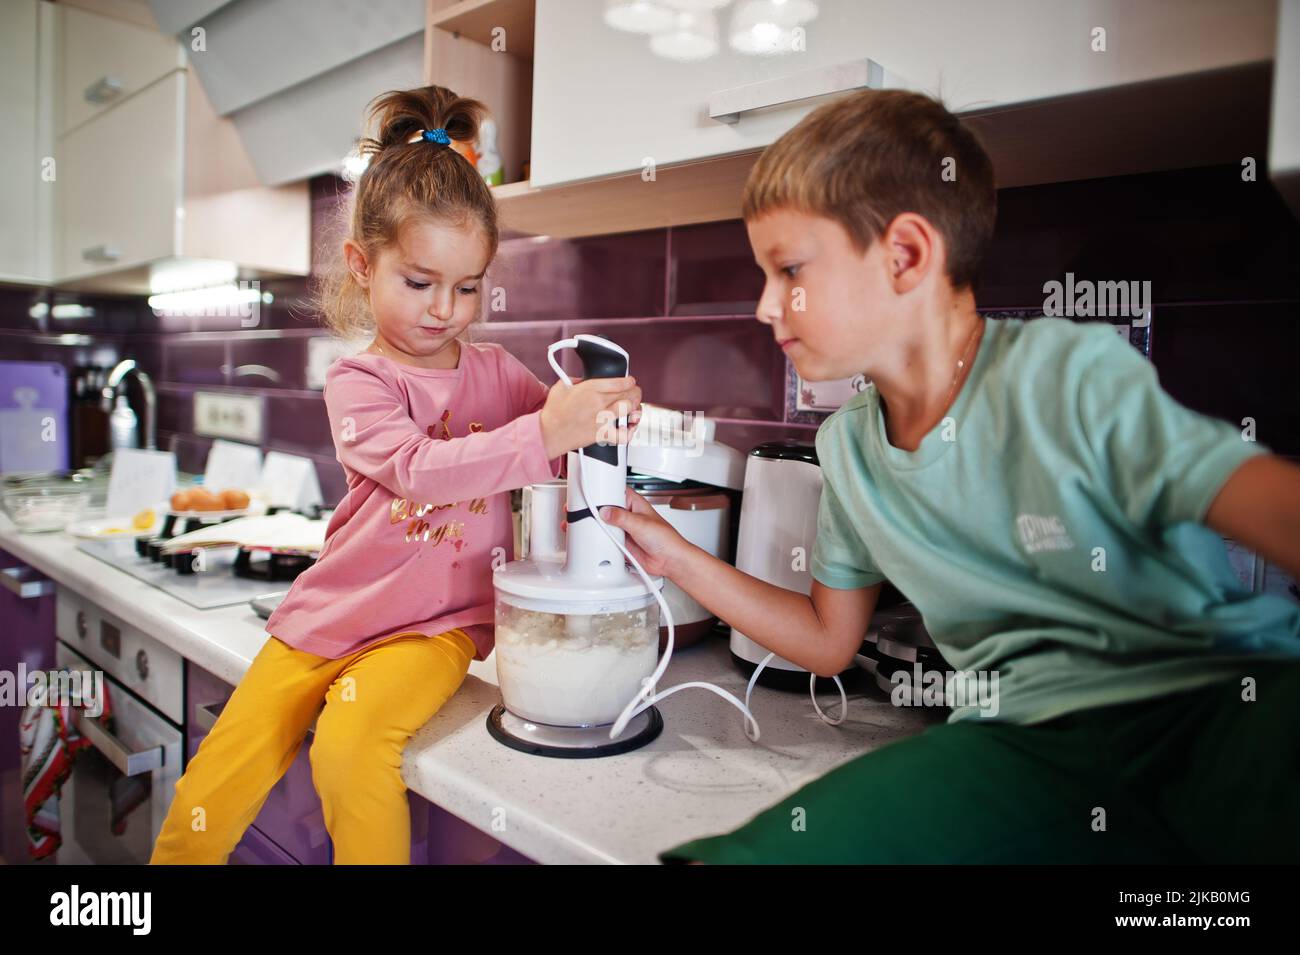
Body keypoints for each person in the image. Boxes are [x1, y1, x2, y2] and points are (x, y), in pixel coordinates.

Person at [599, 88, 1300, 864]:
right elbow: (829, 643)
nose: (766, 305)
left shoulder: (1061, 375)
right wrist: (674, 554)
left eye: (788, 268)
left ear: (905, 255)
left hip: (1224, 706)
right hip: (1020, 743)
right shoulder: (851, 449)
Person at [149, 86, 641, 864]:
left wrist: (603, 415)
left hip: (435, 626)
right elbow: (418, 470)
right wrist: (545, 426)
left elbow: (557, 446)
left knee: (348, 751)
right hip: (330, 610)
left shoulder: (501, 373)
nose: (446, 308)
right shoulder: (360, 379)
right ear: (362, 265)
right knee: (215, 783)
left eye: (469, 286)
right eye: (419, 282)